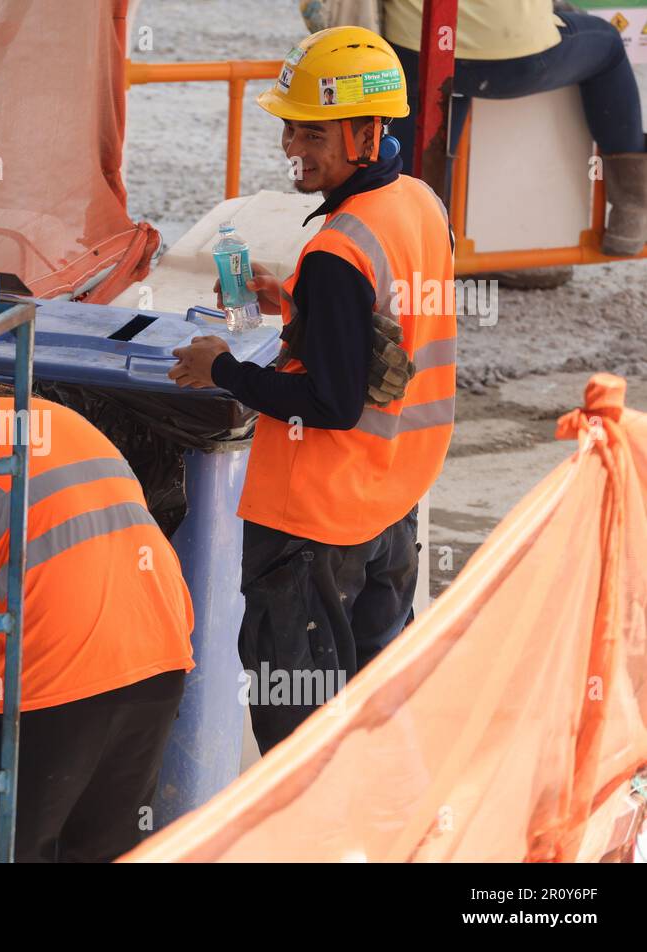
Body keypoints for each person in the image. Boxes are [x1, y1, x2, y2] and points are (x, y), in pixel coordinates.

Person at [168, 26, 456, 753]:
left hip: (313, 531)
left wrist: (222, 370)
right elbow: (383, 329)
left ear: (366, 131)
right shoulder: (419, 203)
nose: (293, 146)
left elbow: (330, 404)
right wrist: (295, 301)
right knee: (371, 723)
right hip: (387, 511)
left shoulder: (338, 250)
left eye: (313, 132)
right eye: (291, 127)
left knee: (300, 747)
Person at [0, 394, 195, 862]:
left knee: (9, 849)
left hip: (56, 675)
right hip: (160, 648)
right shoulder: (48, 416)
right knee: (105, 850)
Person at [384, 0, 647, 257]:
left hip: (416, 41)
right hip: (511, 45)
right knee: (608, 44)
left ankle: (413, 248)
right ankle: (632, 210)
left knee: (436, 101)